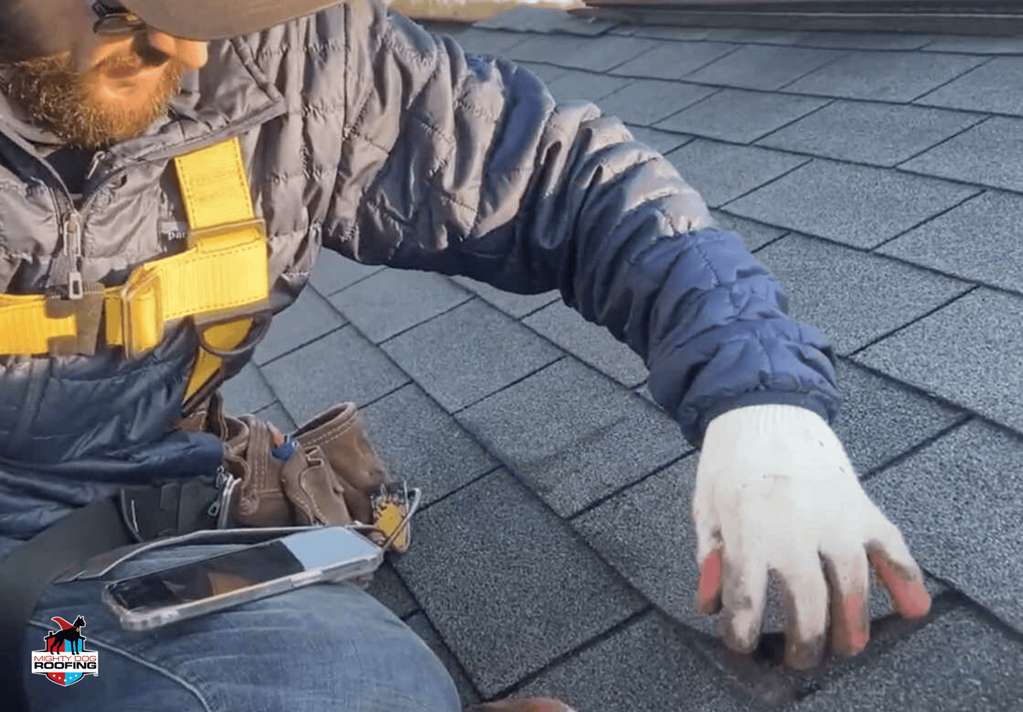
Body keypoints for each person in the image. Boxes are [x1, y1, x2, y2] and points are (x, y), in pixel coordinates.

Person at [0, 0, 932, 710]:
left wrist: (757, 402)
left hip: (160, 561)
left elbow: (562, 180)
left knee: (347, 680)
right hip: (52, 624)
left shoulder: (301, 61)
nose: (190, 50)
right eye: (123, 9)